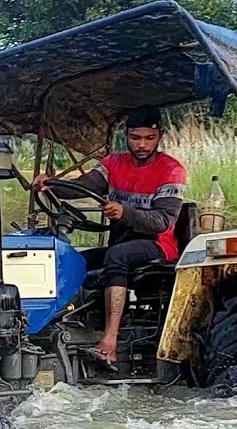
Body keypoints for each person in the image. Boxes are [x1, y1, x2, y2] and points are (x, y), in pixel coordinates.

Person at [32, 106, 187, 365]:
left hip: (159, 245)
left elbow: (162, 221)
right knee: (72, 259)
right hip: (122, 241)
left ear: (159, 136)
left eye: (149, 138)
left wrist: (124, 212)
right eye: (136, 137)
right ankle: (54, 326)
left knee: (117, 256)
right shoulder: (113, 164)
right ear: (126, 136)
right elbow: (83, 187)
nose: (142, 144)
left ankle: (109, 341)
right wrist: (51, 185)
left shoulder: (171, 170)